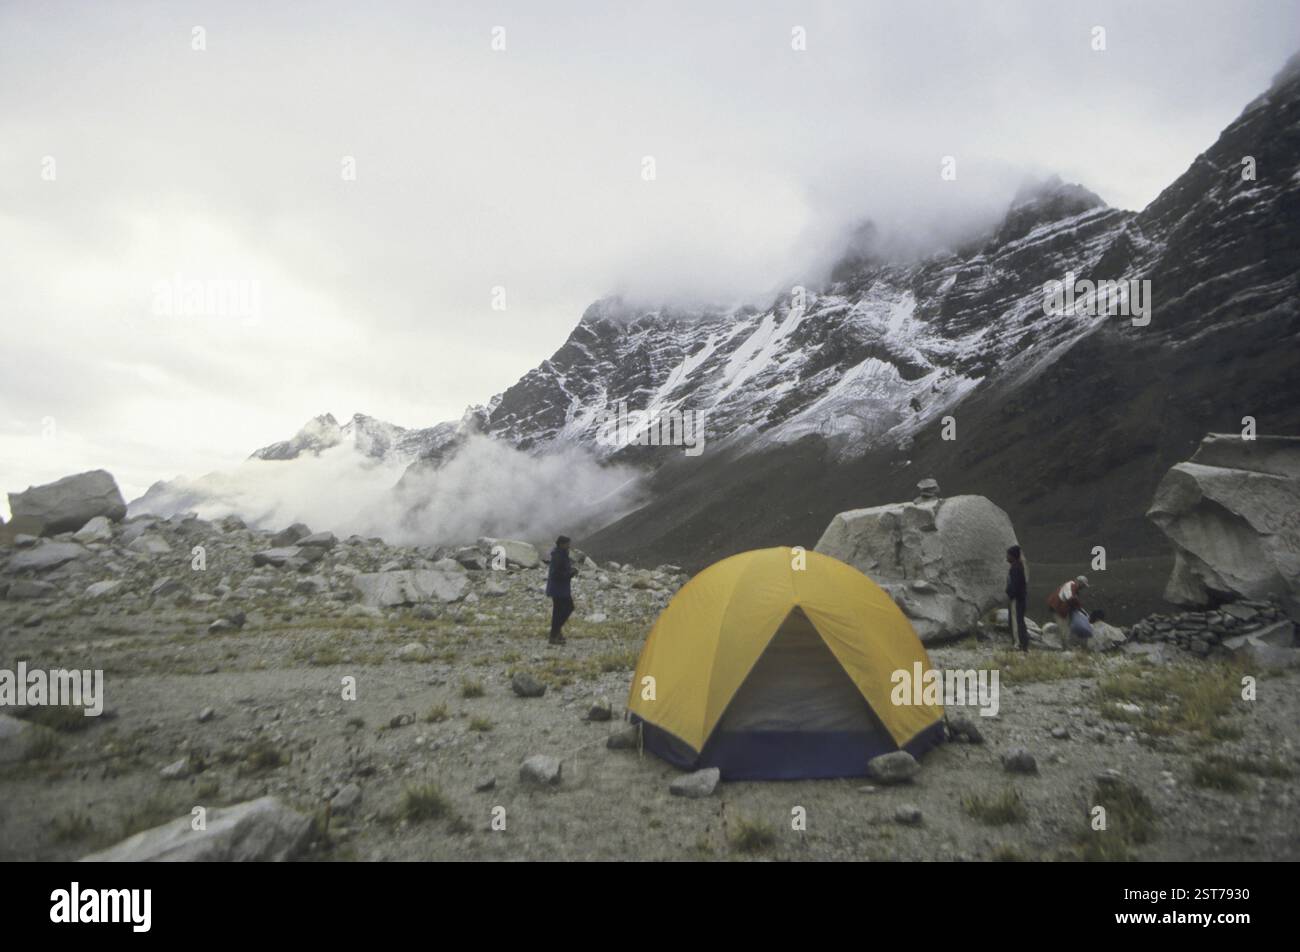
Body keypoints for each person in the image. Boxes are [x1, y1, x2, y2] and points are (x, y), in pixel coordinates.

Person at [545, 535, 578, 645]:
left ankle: (556, 634)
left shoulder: (561, 554)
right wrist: (570, 574)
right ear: (561, 544)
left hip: (559, 588)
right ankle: (554, 634)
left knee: (558, 611)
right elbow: (556, 574)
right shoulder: (559, 555)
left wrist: (570, 571)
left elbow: (561, 570)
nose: (569, 546)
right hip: (559, 589)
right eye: (567, 543)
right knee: (568, 608)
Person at [1049, 575, 1090, 646]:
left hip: (1062, 609)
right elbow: (1070, 598)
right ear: (1079, 582)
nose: (1083, 587)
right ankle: (1066, 647)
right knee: (1064, 628)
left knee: (1066, 627)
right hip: (1057, 608)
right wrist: (1079, 607)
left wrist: (1080, 609)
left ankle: (1065, 645)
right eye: (1083, 585)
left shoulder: (1074, 588)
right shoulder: (1071, 585)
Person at [1005, 545, 1029, 651]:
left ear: (1013, 556)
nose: (1007, 557)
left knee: (1016, 621)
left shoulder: (1015, 567)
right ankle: (1023, 644)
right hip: (1020, 598)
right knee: (1019, 620)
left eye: (1008, 555)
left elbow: (1014, 585)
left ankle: (1018, 644)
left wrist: (1010, 593)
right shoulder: (1019, 566)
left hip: (1016, 599)